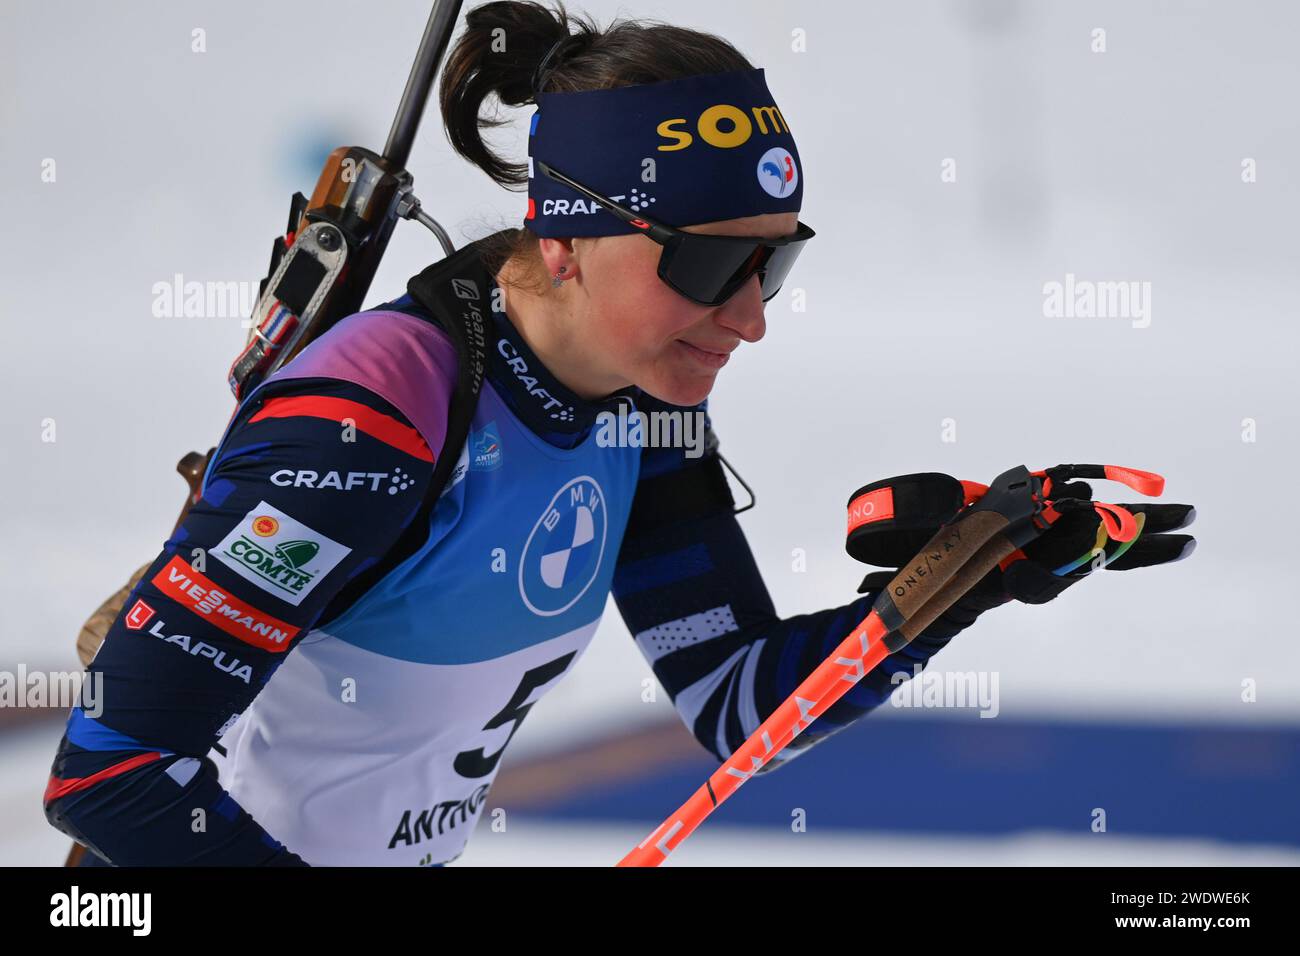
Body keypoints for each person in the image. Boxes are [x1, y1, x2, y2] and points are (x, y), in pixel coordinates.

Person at [43, 0, 1194, 867]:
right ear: (563, 239)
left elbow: (738, 702)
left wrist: (949, 591)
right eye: (705, 262)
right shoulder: (374, 416)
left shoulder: (640, 408)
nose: (747, 315)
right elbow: (112, 774)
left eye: (773, 261)